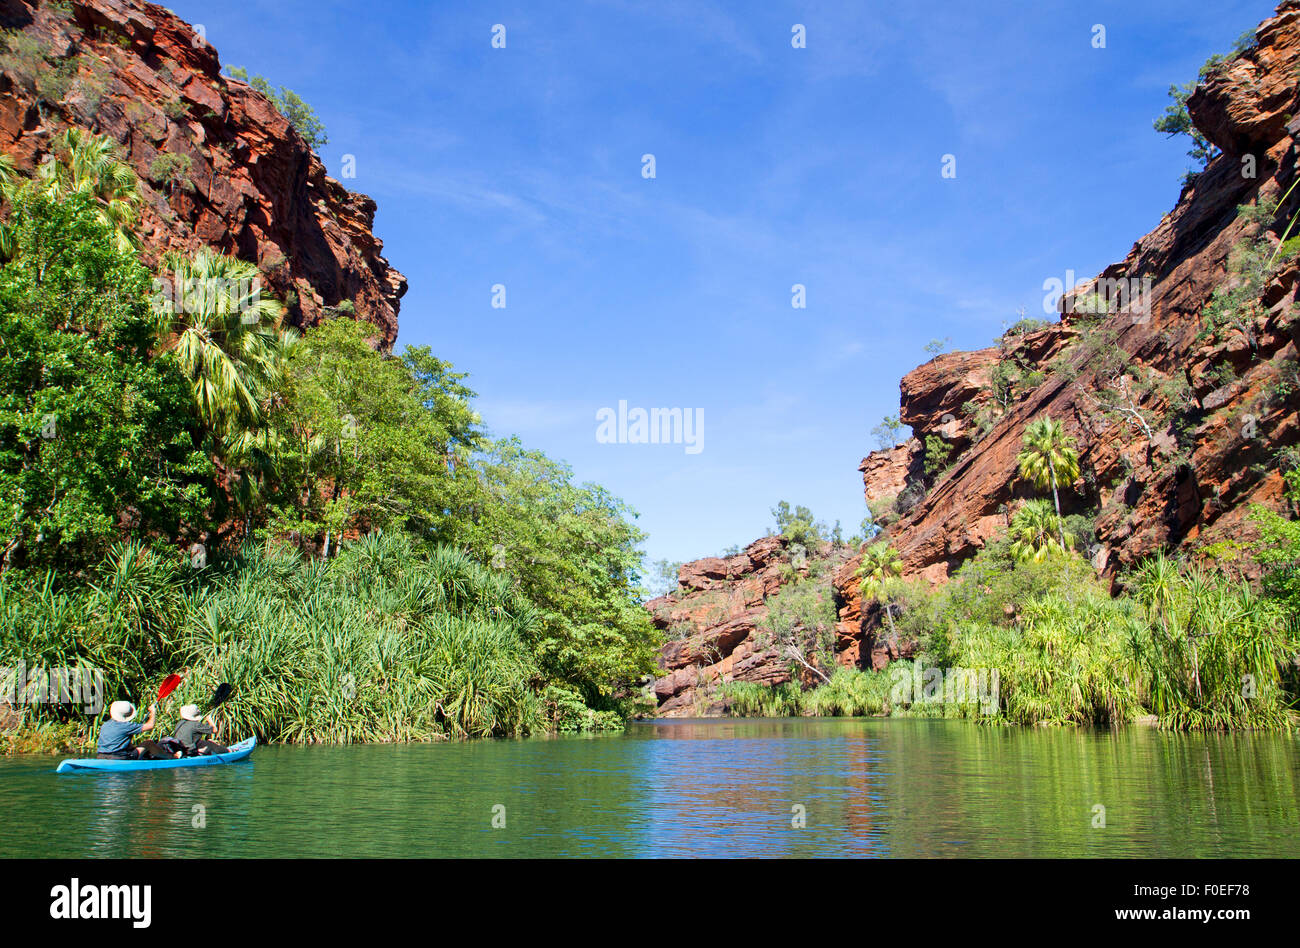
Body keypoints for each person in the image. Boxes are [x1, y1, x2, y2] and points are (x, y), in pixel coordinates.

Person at [97, 701, 181, 760]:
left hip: (101, 756)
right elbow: (150, 726)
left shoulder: (106, 724)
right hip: (119, 758)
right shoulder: (126, 726)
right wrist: (153, 712)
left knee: (132, 746)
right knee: (149, 743)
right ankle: (173, 757)